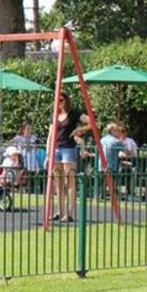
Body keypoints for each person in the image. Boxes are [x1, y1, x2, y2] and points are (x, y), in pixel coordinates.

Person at [52, 92, 88, 225]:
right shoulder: (55, 115)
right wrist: (48, 153)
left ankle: (70, 213)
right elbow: (51, 134)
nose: (59, 103)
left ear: (66, 100)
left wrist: (77, 131)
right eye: (57, 100)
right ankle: (59, 211)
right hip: (56, 149)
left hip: (68, 149)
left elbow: (91, 122)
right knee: (58, 182)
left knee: (70, 181)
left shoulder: (74, 113)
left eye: (61, 100)